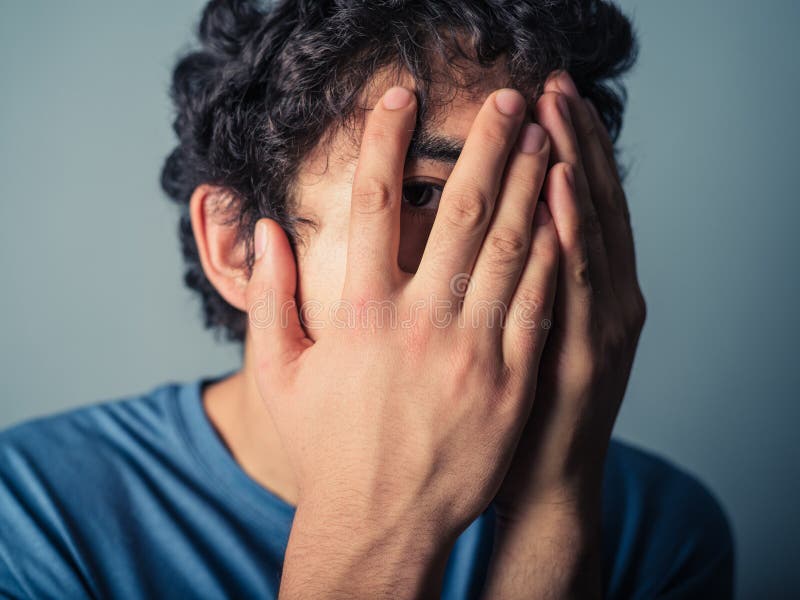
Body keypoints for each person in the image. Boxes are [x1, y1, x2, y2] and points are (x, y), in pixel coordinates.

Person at [0, 1, 734, 598]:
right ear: (236, 244)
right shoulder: (32, 519)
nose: (504, 253)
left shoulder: (657, 531)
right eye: (424, 193)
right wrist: (374, 526)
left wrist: (553, 516)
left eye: (539, 192)